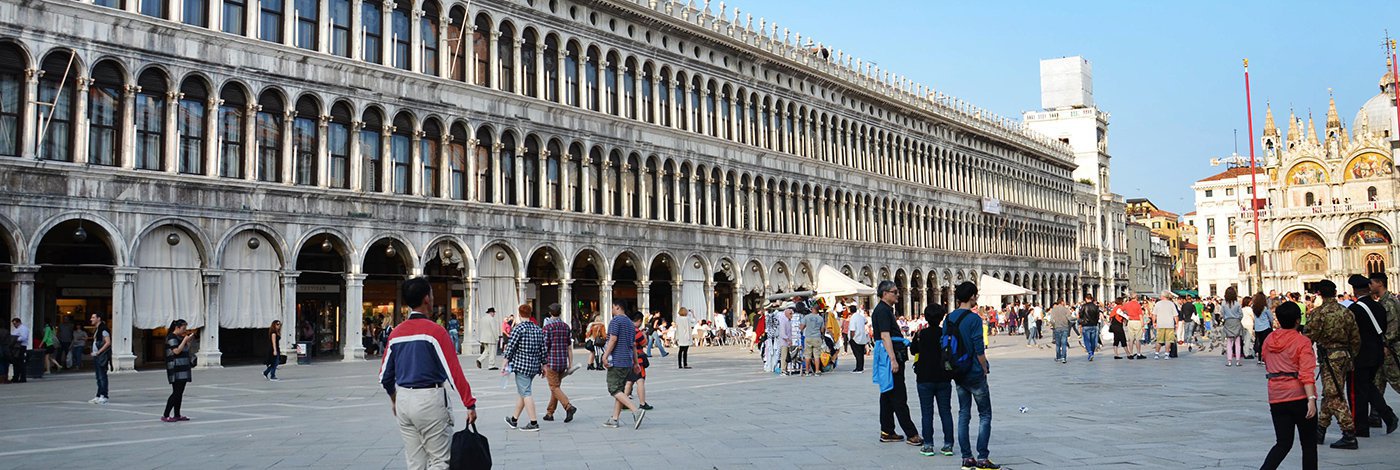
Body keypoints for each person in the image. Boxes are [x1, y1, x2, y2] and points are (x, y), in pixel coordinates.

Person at [379, 277, 477, 469]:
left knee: (415, 463)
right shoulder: (435, 332)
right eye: (432, 294)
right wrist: (469, 403)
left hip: (404, 400)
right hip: (429, 399)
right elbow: (453, 372)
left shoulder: (396, 333)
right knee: (440, 461)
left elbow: (385, 376)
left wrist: (394, 399)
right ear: (426, 299)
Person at [1259, 302, 1318, 470]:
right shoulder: (1302, 341)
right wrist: (1311, 399)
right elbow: (1306, 373)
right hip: (1299, 395)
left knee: (1283, 443)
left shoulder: (1269, 339)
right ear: (1297, 321)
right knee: (1308, 444)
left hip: (1276, 395)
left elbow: (1264, 358)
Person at [946, 282, 998, 470]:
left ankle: (967, 458)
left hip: (958, 372)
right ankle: (982, 457)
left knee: (963, 413)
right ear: (972, 297)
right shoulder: (974, 319)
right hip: (974, 372)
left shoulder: (949, 318)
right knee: (984, 414)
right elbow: (979, 349)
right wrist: (984, 368)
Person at [1304, 280, 1360, 449]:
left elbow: (1308, 337)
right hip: (1345, 356)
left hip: (1329, 357)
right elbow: (1356, 338)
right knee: (1330, 392)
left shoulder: (1318, 313)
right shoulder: (1346, 312)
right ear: (1335, 292)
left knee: (1334, 395)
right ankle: (1320, 430)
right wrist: (1351, 355)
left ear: (1319, 293)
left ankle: (1349, 433)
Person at [1344, 274, 1397, 438]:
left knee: (1356, 391)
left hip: (1360, 355)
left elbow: (1349, 334)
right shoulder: (1379, 307)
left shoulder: (1354, 309)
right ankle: (1387, 416)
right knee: (1367, 386)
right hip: (1376, 354)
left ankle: (1360, 426)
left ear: (1354, 290)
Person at [872, 280, 921, 446]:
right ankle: (911, 433)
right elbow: (885, 336)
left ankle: (887, 431)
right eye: (894, 292)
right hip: (890, 357)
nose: (897, 294)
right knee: (899, 395)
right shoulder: (883, 311)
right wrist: (893, 359)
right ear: (885, 293)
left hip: (889, 354)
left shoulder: (884, 310)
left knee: (887, 394)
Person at [913, 303, 955, 457]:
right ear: (941, 317)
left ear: (926, 317)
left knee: (927, 412)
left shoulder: (920, 334)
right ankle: (948, 445)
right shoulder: (945, 334)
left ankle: (928, 445)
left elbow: (913, 350)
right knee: (945, 411)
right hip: (943, 377)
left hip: (924, 377)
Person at [502, 304, 546, 432]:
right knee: (523, 391)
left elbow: (511, 347)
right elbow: (543, 349)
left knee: (526, 393)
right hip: (534, 366)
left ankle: (533, 422)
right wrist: (544, 365)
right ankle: (514, 419)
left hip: (522, 365)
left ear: (519, 315)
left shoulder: (518, 329)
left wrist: (504, 362)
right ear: (530, 314)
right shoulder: (538, 329)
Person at [602, 302, 646, 429]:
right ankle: (614, 419)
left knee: (614, 389)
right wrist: (636, 363)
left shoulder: (616, 321)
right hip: (628, 361)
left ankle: (636, 411)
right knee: (620, 390)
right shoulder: (630, 324)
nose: (611, 310)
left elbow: (613, 339)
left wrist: (605, 355)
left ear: (617, 307)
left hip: (617, 360)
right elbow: (633, 345)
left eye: (612, 307)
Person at [1370, 273, 1400, 426]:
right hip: (1383, 349)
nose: (1370, 286)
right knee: (1377, 382)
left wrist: (1385, 345)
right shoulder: (1382, 301)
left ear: (1379, 284)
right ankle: (1375, 415)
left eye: (1372, 283)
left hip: (1390, 349)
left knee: (1396, 380)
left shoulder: (1388, 302)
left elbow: (1393, 328)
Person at [540, 303, 578, 423]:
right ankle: (549, 413)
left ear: (550, 313)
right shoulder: (565, 326)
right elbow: (569, 346)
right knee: (556, 388)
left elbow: (544, 347)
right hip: (562, 362)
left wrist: (542, 363)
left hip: (552, 362)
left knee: (554, 387)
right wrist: (570, 363)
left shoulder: (547, 328)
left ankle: (568, 406)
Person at [161, 319, 196, 422]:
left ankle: (177, 414)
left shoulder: (180, 337)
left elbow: (184, 349)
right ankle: (166, 414)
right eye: (183, 328)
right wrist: (185, 340)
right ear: (177, 327)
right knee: (176, 392)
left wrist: (188, 341)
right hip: (176, 368)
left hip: (183, 367)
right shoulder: (171, 337)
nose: (184, 331)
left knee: (180, 393)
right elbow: (176, 351)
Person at [625, 312, 653, 410]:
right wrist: (644, 334)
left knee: (629, 381)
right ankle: (642, 403)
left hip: (628, 359)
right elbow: (644, 342)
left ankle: (623, 402)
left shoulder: (626, 329)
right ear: (640, 321)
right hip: (638, 359)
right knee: (640, 381)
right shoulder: (636, 331)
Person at [1220, 287, 1246, 367]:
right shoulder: (1237, 303)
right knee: (1238, 342)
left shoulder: (1224, 303)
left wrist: (1225, 318)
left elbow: (1222, 314)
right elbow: (1241, 314)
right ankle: (1238, 361)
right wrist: (1238, 319)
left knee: (1229, 342)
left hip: (1228, 322)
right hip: (1236, 322)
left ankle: (1229, 361)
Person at [88, 314, 111, 403]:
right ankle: (98, 395)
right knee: (98, 377)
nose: (91, 319)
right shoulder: (98, 329)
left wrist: (99, 352)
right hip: (96, 355)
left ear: (99, 318)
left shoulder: (104, 329)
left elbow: (108, 342)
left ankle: (104, 395)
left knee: (102, 376)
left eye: (93, 317)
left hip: (101, 356)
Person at [800, 306, 826, 376]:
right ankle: (817, 371)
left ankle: (807, 371)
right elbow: (822, 330)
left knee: (807, 355)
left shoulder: (806, 317)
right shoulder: (820, 318)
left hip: (808, 337)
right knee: (816, 355)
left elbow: (802, 327)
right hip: (817, 337)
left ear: (812, 310)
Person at [1152, 292, 1178, 360]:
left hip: (1160, 324)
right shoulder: (1171, 304)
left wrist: (1154, 322)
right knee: (1168, 340)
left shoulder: (1158, 304)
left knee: (1159, 340)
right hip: (1169, 324)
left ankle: (1156, 354)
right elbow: (1175, 315)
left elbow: (1154, 314)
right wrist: (1177, 323)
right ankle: (1166, 354)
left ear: (1163, 296)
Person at [1253, 293, 1274, 365]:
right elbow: (1271, 317)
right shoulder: (1265, 308)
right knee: (1265, 344)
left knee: (1260, 343)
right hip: (1265, 327)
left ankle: (1259, 358)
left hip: (1257, 327)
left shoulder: (1254, 307)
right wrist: (1272, 323)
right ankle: (1264, 358)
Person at [1047, 300, 1071, 364]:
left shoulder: (1054, 310)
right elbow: (1069, 318)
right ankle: (1063, 358)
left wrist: (1054, 325)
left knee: (1058, 344)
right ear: (1062, 302)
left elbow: (1051, 320)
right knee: (1064, 343)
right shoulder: (1066, 309)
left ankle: (1058, 357)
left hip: (1057, 328)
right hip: (1065, 328)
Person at [848, 305, 870, 373]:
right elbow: (866, 321)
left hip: (855, 338)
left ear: (850, 311)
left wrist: (851, 338)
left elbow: (852, 330)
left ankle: (858, 368)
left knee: (857, 353)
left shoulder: (852, 318)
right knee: (861, 353)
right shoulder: (860, 316)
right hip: (862, 337)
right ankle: (861, 367)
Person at [1079, 295, 1101, 361]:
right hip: (1094, 325)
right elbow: (1097, 316)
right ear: (1091, 299)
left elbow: (1080, 315)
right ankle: (1092, 353)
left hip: (1086, 325)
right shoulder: (1096, 307)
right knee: (1093, 340)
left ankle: (1090, 352)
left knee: (1086, 340)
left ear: (1086, 299)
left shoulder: (1084, 306)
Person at [10, 318, 30, 383]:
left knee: (20, 363)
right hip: (16, 347)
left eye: (15, 323)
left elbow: (24, 337)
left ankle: (22, 378)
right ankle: (15, 377)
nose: (14, 325)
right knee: (16, 363)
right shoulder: (17, 329)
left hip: (21, 347)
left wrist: (15, 339)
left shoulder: (23, 328)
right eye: (13, 324)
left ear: (19, 322)